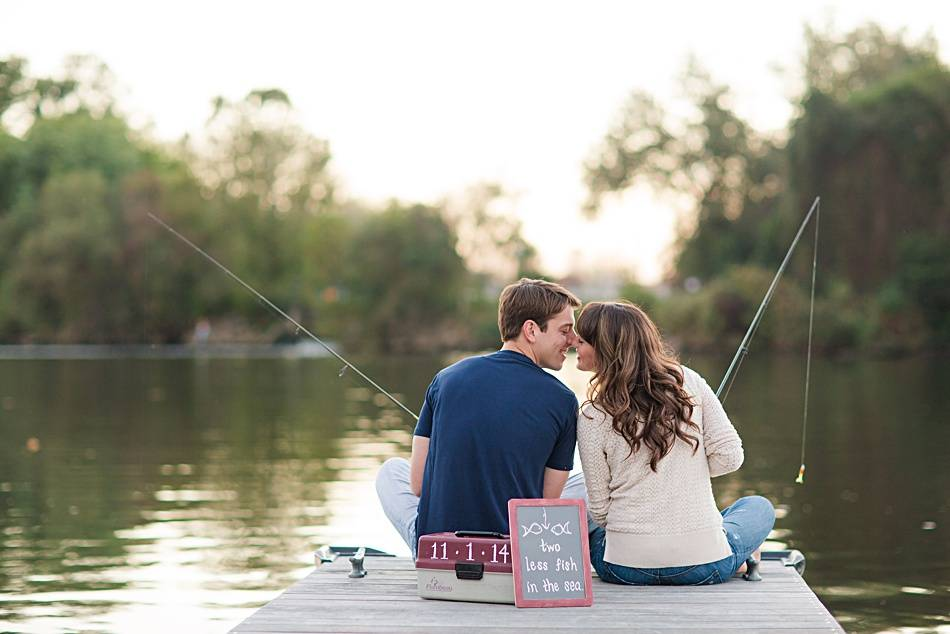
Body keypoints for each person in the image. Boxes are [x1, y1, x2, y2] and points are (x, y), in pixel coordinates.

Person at [376, 278, 585, 557]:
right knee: (587, 485)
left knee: (391, 471)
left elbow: (417, 484)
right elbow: (542, 507)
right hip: (511, 553)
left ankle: (426, 546)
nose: (572, 340)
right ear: (532, 330)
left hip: (437, 551)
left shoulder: (445, 379)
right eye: (565, 330)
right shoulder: (563, 400)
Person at [574, 300, 775, 585]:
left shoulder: (592, 415)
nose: (574, 346)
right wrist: (685, 472)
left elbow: (601, 512)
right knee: (758, 507)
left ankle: (732, 556)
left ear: (605, 348)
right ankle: (741, 559)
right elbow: (730, 457)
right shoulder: (689, 380)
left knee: (592, 528)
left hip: (624, 570)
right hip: (704, 566)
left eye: (581, 342)